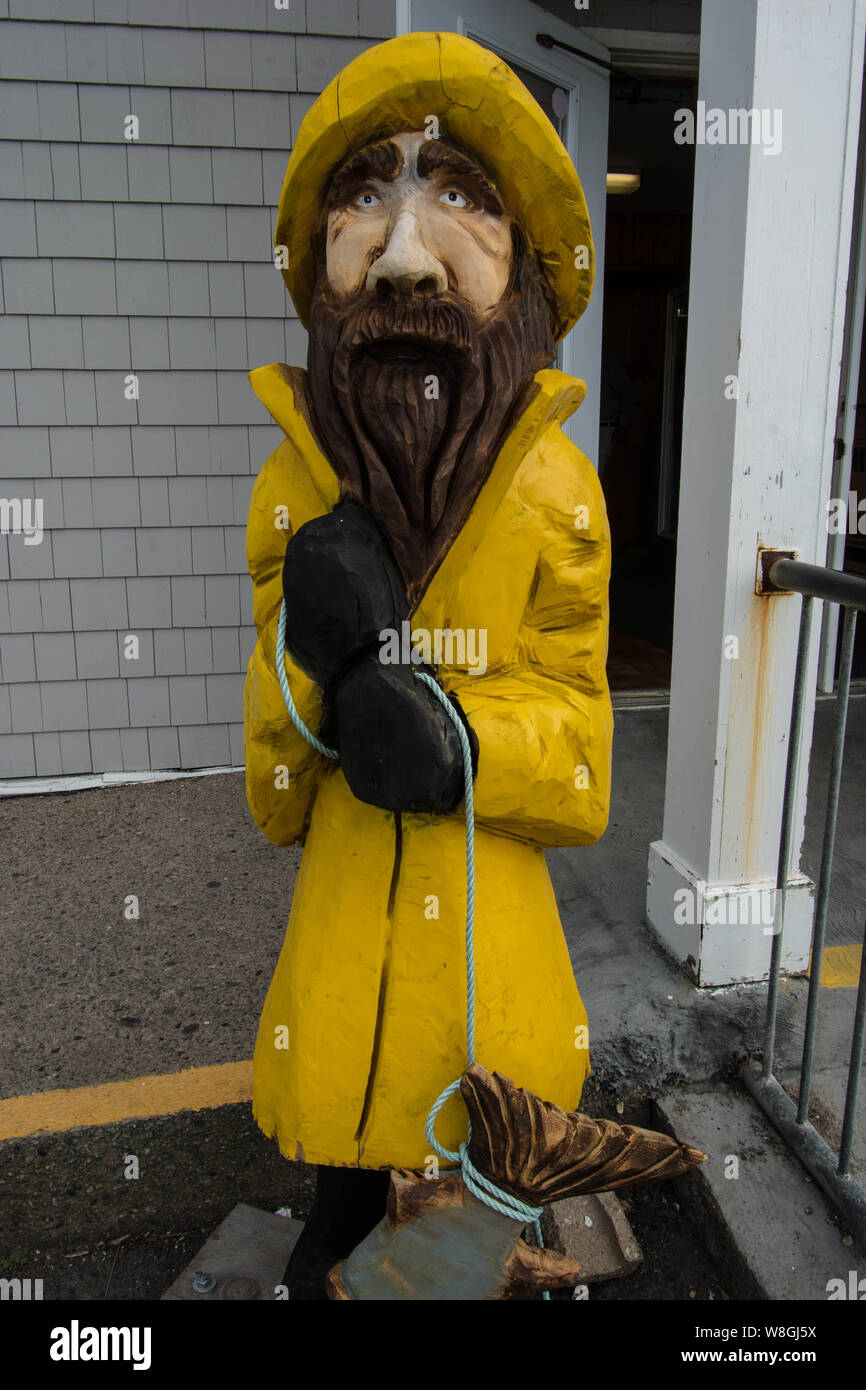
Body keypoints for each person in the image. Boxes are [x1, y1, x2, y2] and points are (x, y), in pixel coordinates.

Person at [243, 31, 613, 1299]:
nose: (403, 254)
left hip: (489, 974)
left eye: (460, 193)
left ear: (528, 280)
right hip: (343, 950)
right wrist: (311, 661)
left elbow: (579, 758)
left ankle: (473, 1243)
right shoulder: (289, 491)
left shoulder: (561, 492)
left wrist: (455, 736)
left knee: (475, 1181)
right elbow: (273, 790)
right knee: (339, 1198)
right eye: (365, 195)